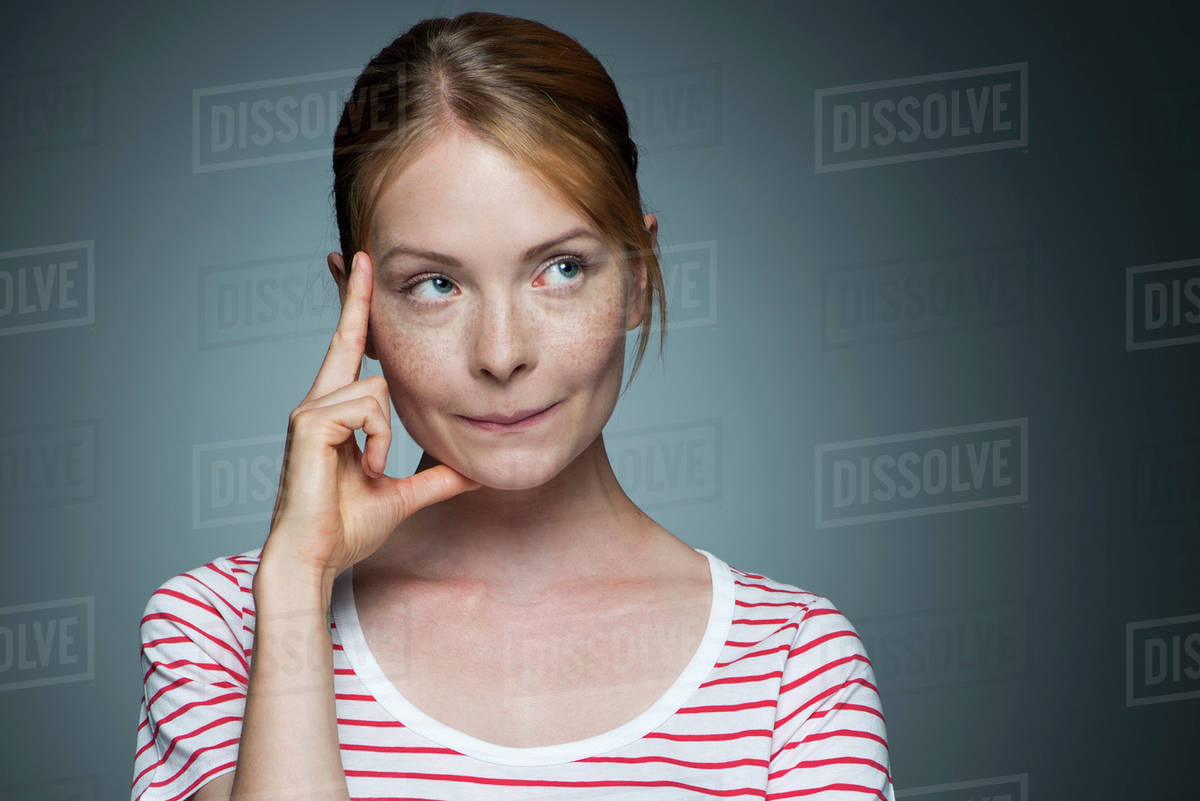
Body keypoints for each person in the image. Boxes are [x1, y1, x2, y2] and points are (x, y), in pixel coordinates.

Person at [130, 11, 895, 801]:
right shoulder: (217, 630)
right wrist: (295, 588)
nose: (501, 352)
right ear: (357, 312)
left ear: (637, 276)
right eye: (435, 284)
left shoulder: (791, 668)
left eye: (561, 269)